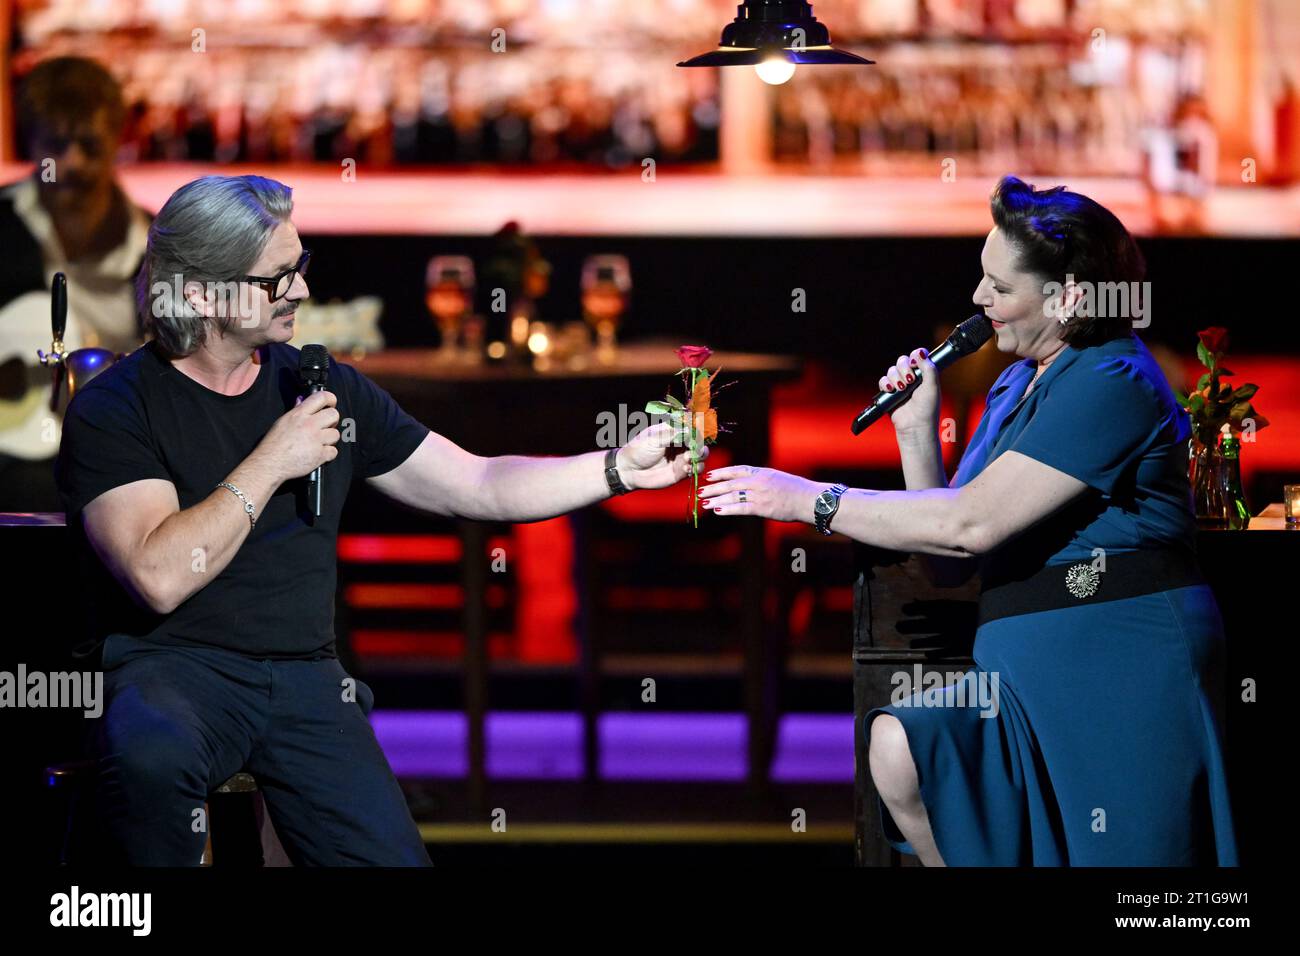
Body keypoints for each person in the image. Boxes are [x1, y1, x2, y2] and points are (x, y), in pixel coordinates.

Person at [54, 174, 705, 865]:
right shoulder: (118, 408)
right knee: (148, 760)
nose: (300, 291)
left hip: (305, 677)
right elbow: (157, 575)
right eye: (276, 279)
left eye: (299, 268)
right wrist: (273, 459)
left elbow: (477, 482)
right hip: (175, 673)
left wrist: (613, 470)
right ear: (200, 293)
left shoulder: (321, 385)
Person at [701, 175, 1237, 866]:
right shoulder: (1017, 384)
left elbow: (969, 525)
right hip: (1020, 674)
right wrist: (916, 432)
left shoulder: (1112, 380)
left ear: (1070, 296)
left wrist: (808, 500)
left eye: (1001, 287)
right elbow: (952, 554)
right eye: (981, 280)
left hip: (1119, 671)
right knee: (900, 748)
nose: (980, 301)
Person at [0, 56, 151, 511]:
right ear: (32, 143)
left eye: (90, 146)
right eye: (55, 144)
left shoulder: (158, 246)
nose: (72, 163)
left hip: (118, 463)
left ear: (119, 140)